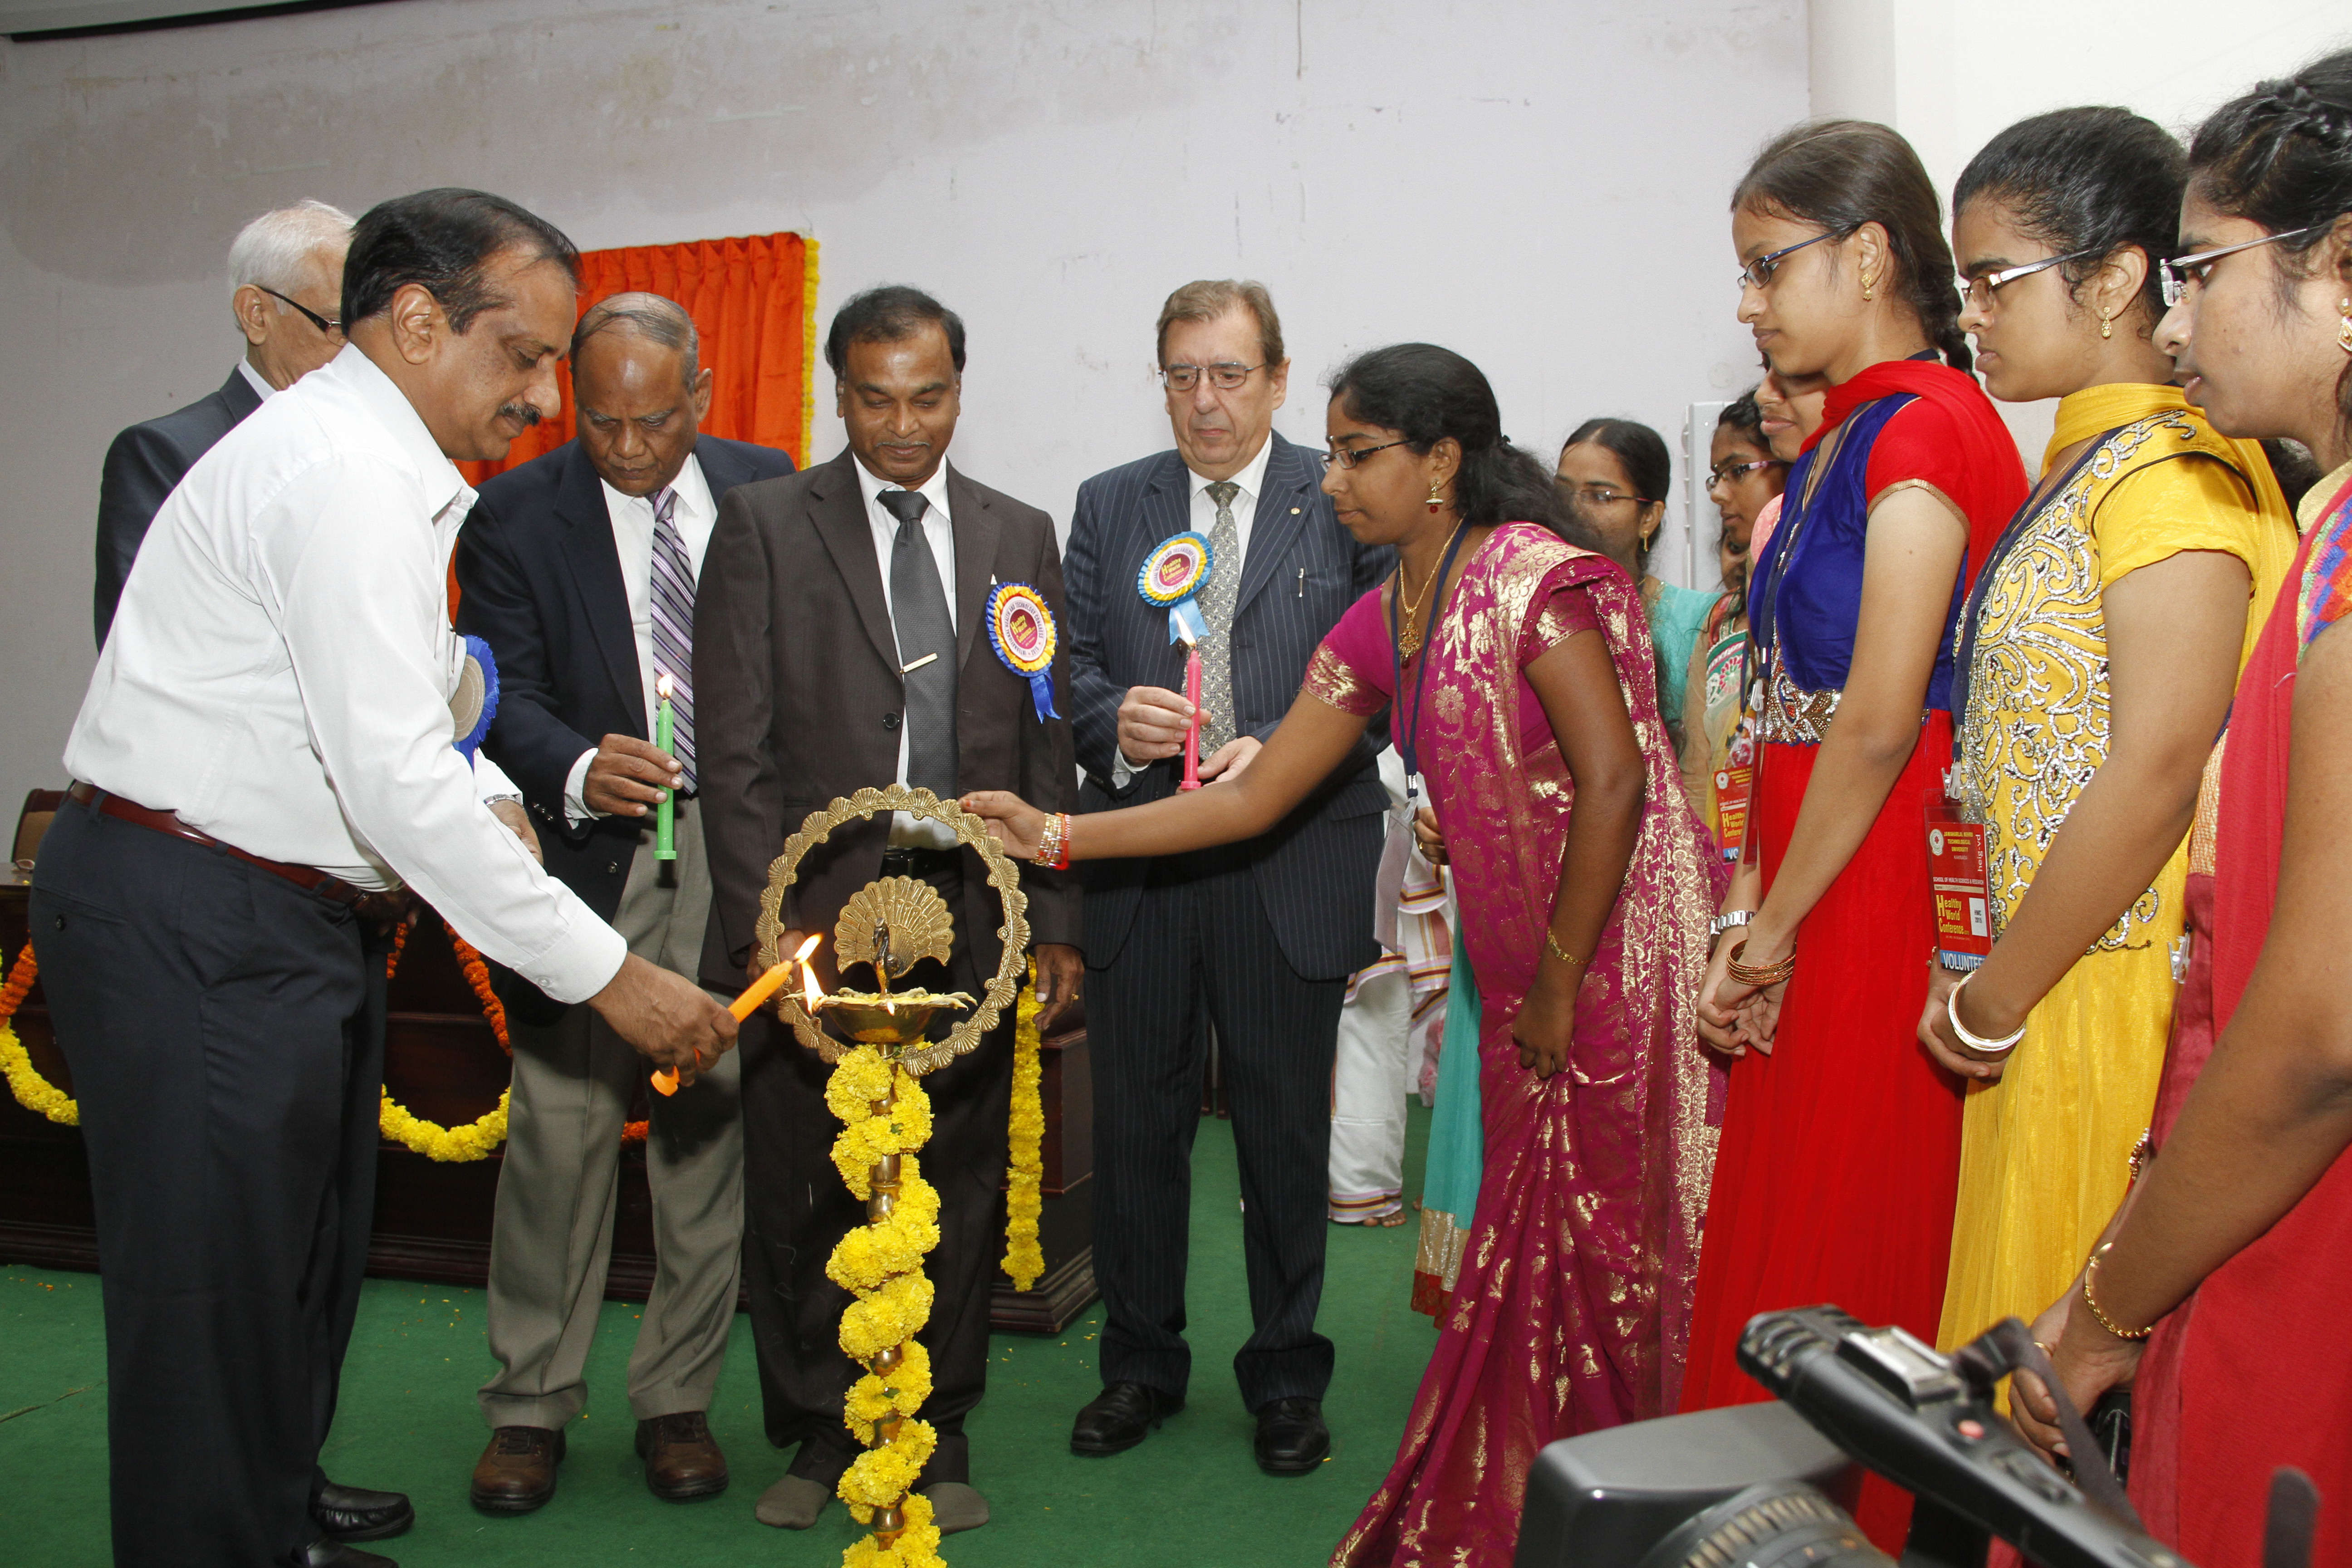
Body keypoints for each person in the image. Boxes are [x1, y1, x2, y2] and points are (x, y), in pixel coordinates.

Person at [29, 189, 735, 1568]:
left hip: (273, 918)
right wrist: (617, 978)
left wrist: (490, 798)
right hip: (202, 918)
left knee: (289, 1274)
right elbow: (394, 782)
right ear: (416, 322)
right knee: (214, 1309)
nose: (545, 395)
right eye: (523, 355)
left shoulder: (378, 465)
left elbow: (417, 722)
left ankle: (273, 1528)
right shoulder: (344, 473)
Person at [969, 342, 1725, 1568]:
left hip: (1616, 964)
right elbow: (1250, 798)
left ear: (1440, 466)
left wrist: (1558, 982)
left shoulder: (1534, 583)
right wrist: (1061, 833)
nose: (1331, 480)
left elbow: (1617, 781)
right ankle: (1554, 1484)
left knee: (1616, 1244)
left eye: (1360, 454)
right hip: (1531, 967)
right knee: (1533, 1246)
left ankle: (1660, 1503)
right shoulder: (1389, 616)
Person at [2009, 54, 2352, 1568]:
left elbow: (2317, 1035)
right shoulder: (2322, 519)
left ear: (2340, 267)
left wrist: (2102, 1309)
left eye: (2204, 269)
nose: (2170, 315)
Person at [1680, 121, 2030, 1552]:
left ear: (1871, 253)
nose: (1749, 302)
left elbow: (1882, 716)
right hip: (1816, 869)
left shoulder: (1930, 424)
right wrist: (1749, 908)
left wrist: (1771, 929)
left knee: (1846, 1221)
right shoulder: (1845, 437)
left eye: (1770, 267)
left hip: (1879, 879)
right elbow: (1783, 708)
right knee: (1785, 1220)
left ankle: (1857, 1528)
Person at [693, 284, 1083, 1538]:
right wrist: (774, 928)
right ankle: (818, 1430)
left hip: (971, 910)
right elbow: (738, 747)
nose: (903, 424)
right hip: (810, 919)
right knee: (806, 1176)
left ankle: (942, 1416)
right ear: (838, 394)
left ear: (960, 390)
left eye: (927, 397)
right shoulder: (761, 525)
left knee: (959, 1174)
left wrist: (1055, 916)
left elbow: (1044, 736)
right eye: (875, 399)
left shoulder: (1019, 531)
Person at [1925, 108, 2295, 1362]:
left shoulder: (2167, 473)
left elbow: (2158, 769)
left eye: (1995, 280)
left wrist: (1994, 999)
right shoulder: (2094, 468)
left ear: (2119, 277)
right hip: (2052, 970)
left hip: (2112, 993)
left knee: (2057, 1391)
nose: (1970, 311)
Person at [452, 293, 799, 1512]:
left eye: (656, 421)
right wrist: (576, 766)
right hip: (583, 858)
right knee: (559, 1129)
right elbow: (495, 684)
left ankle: (677, 1400)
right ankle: (530, 1403)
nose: (633, 448)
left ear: (701, 399)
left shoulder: (770, 486)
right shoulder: (513, 512)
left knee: (709, 1124)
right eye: (604, 423)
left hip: (726, 848)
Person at [1058, 280, 1390, 1474]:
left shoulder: (1342, 500)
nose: (1207, 400)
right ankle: (1140, 1364)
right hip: (1143, 867)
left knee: (1281, 1135)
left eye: (1231, 374)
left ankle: (1287, 1375)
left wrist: (1291, 746)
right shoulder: (1111, 506)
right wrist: (1113, 720)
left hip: (1286, 861)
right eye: (1184, 375)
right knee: (1137, 1129)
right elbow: (1072, 669)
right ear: (1161, 382)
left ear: (1280, 378)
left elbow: (1385, 672)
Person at [94, 199, 353, 646]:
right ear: (257, 314)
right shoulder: (171, 453)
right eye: (335, 325)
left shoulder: (376, 449)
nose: (356, 354)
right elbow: (145, 646)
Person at [1326, 747, 1451, 1227]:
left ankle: (1363, 1185)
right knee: (1293, 1033)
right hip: (1308, 828)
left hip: (1378, 830)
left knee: (1374, 1029)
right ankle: (1307, 1183)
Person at [1556, 417, 1720, 753]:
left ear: (1649, 517)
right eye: (1561, 491)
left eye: (1600, 496)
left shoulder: (1699, 619)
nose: (1572, 509)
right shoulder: (1534, 612)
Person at [1680, 389, 1781, 843]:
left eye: (1738, 471)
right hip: (1724, 861)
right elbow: (1698, 766)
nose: (1719, 493)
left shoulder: (1824, 605)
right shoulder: (1721, 621)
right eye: (1715, 477)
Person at [1748, 363, 1828, 558]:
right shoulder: (1773, 519)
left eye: (1795, 375)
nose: (1762, 395)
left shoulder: (1892, 502)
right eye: (1767, 369)